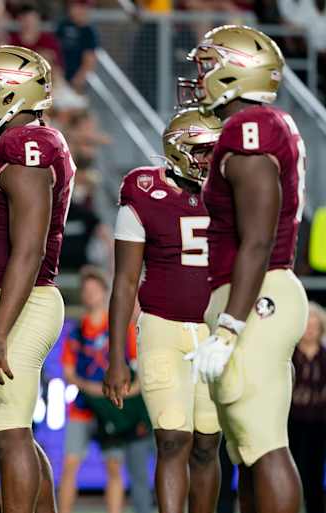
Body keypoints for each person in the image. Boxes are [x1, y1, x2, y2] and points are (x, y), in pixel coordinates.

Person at [180, 25, 310, 513]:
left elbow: (259, 238)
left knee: (263, 441)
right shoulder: (259, 126)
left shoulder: (247, 130)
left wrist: (231, 325)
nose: (200, 77)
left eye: (207, 66)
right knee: (247, 447)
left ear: (234, 71)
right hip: (257, 292)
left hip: (258, 295)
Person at [0, 45, 74, 513]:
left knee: (8, 434)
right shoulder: (26, 142)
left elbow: (29, 248)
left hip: (16, 301)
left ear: (8, 95)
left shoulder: (22, 145)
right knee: (11, 432)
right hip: (16, 297)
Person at [104, 107, 223, 513]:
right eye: (202, 150)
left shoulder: (232, 192)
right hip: (161, 326)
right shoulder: (143, 191)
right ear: (178, 149)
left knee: (208, 444)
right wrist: (116, 354)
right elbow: (124, 281)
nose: (210, 159)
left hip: (216, 333)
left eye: (215, 150)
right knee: (172, 438)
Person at [59, 267, 153, 513]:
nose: (90, 294)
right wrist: (93, 390)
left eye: (94, 289)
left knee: (114, 466)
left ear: (104, 291)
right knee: (70, 466)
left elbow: (140, 372)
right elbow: (68, 372)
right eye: (86, 290)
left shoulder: (122, 330)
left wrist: (122, 393)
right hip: (83, 408)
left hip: (113, 411)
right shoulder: (77, 332)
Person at [288, 301, 326, 513]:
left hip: (320, 422)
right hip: (290, 421)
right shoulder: (288, 356)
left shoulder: (325, 355)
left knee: (314, 471)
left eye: (314, 325)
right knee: (289, 469)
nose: (310, 330)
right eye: (307, 325)